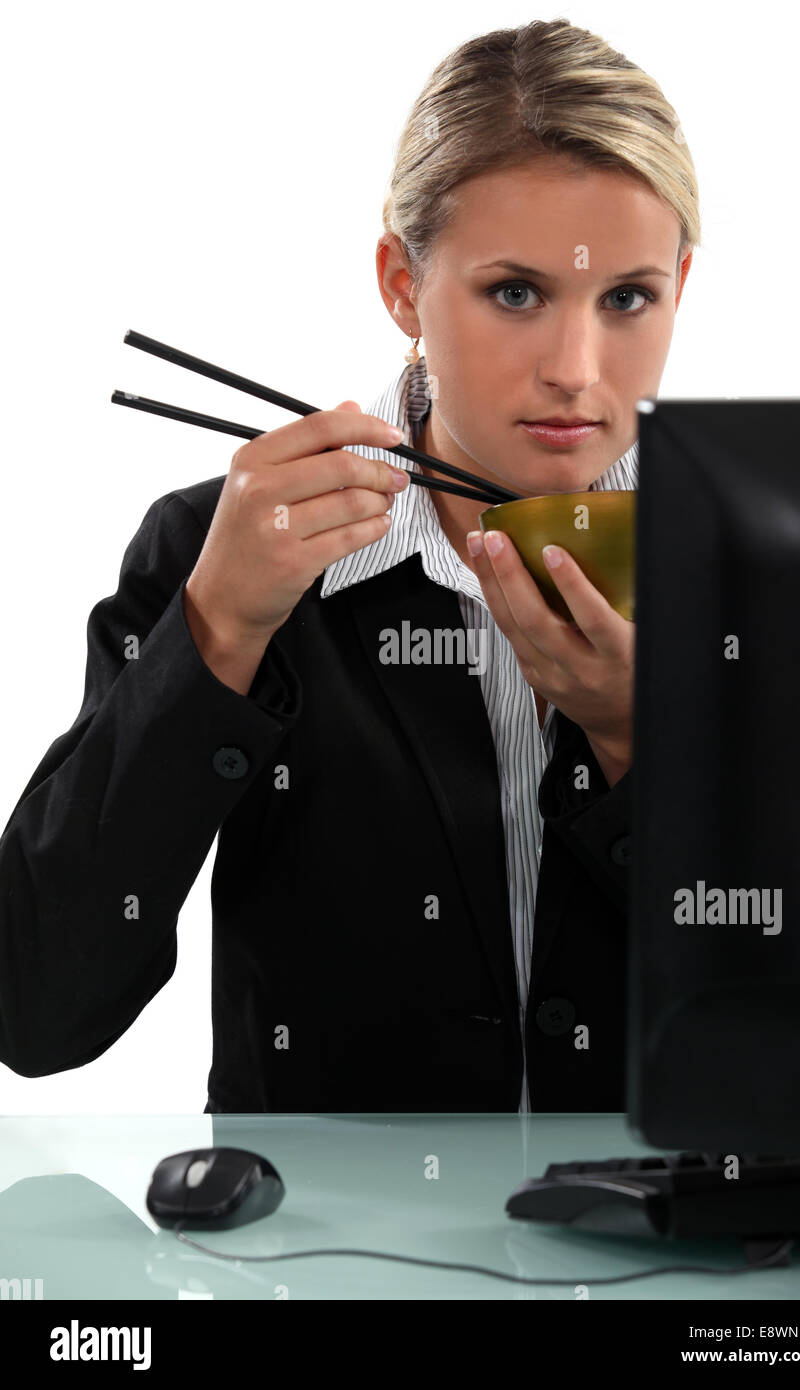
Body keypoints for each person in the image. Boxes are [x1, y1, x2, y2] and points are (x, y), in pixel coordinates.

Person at [0, 18, 698, 1112]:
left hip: (670, 1267)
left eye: (626, 298)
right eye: (514, 292)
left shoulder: (756, 560)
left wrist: (636, 740)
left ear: (680, 283)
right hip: (321, 1266)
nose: (576, 371)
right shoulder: (213, 553)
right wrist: (215, 638)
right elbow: (37, 1009)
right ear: (400, 283)